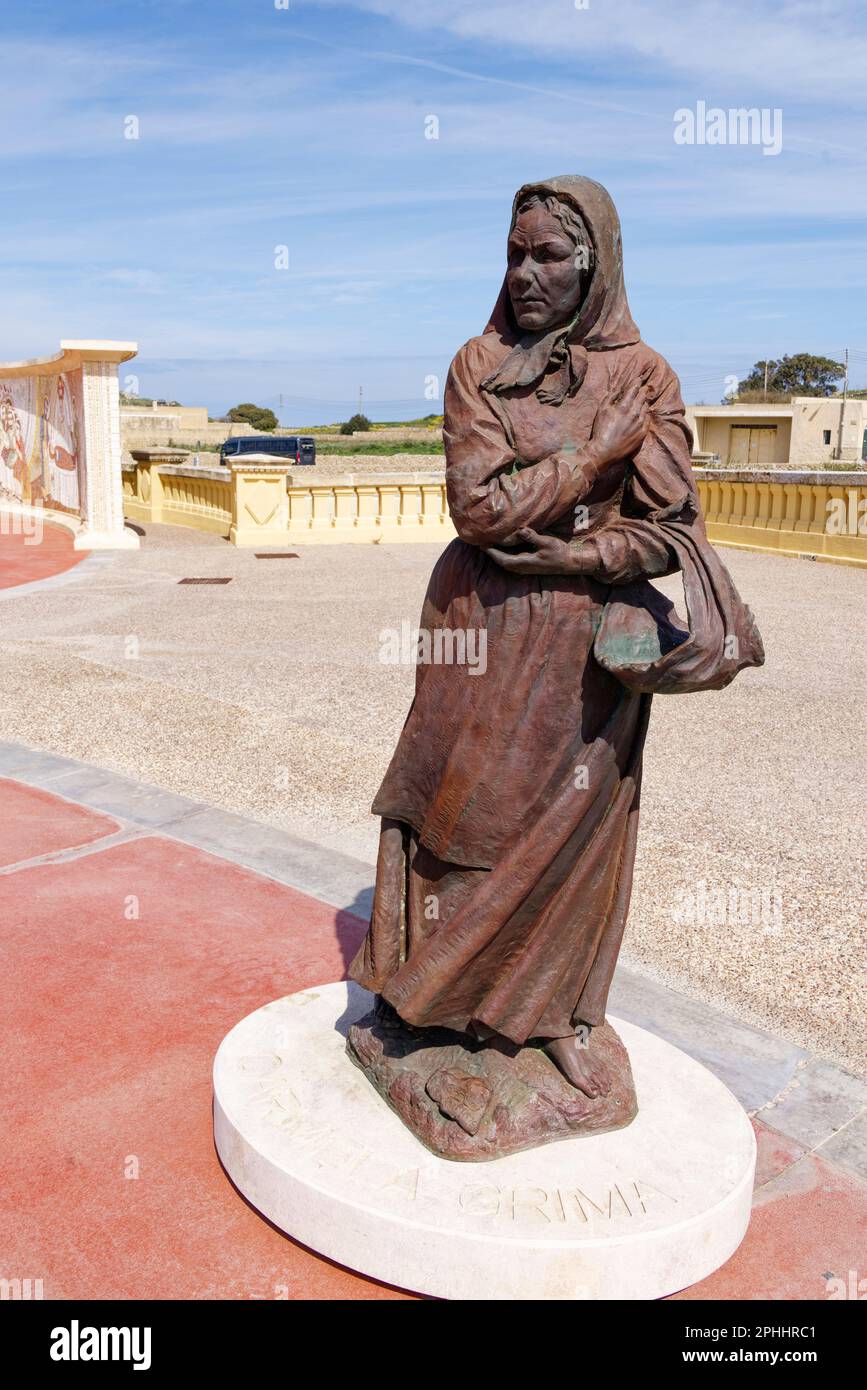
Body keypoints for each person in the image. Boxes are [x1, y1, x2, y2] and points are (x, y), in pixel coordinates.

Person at [349, 175, 762, 1098]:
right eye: (514, 254)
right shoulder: (476, 363)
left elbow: (671, 529)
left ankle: (545, 1016)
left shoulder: (643, 374)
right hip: (481, 623)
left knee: (574, 831)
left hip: (582, 641)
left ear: (594, 262)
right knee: (457, 811)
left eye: (549, 254)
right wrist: (592, 456)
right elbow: (481, 509)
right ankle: (425, 1006)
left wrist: (580, 558)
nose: (528, 273)